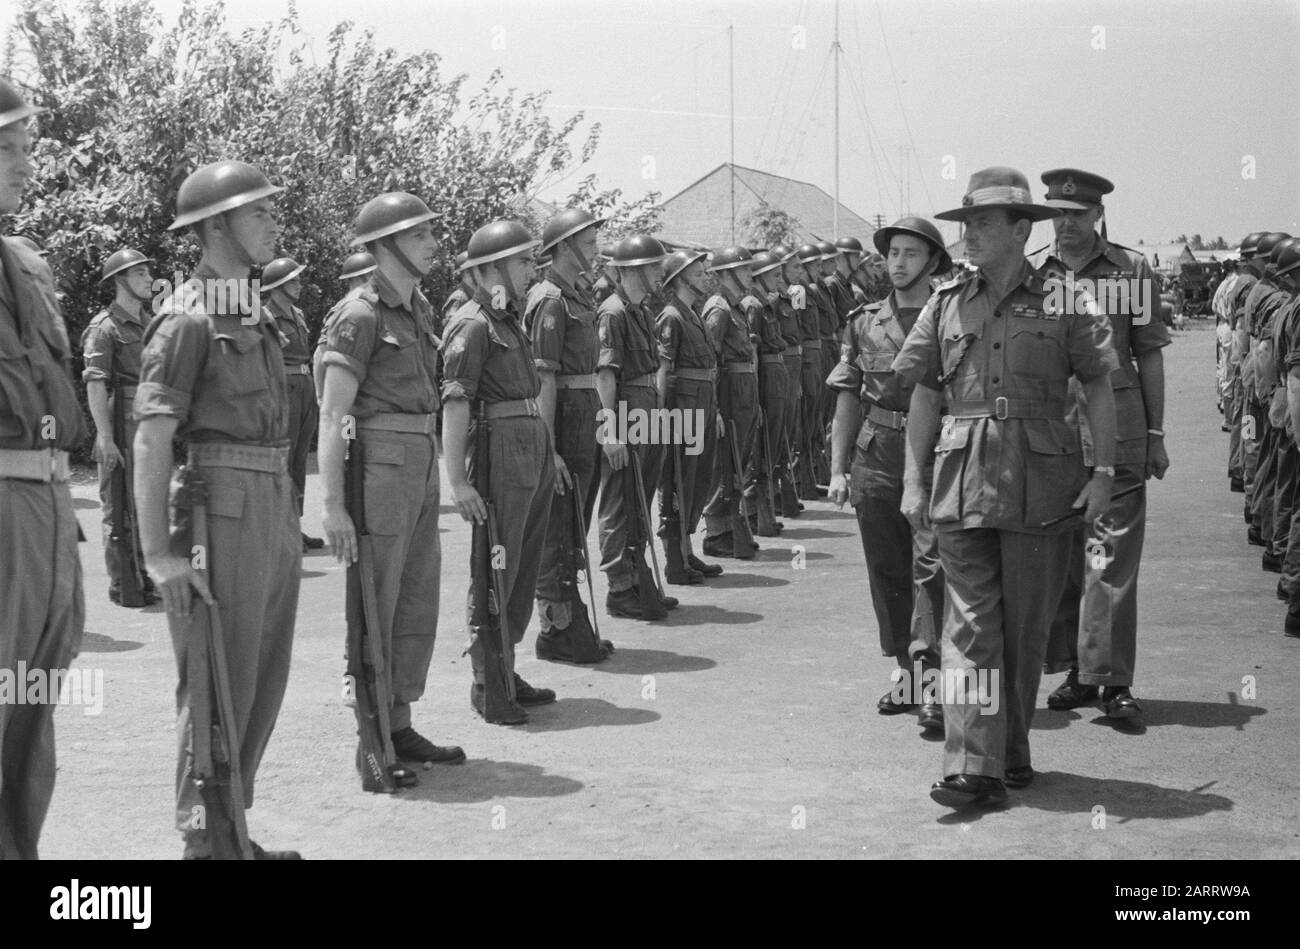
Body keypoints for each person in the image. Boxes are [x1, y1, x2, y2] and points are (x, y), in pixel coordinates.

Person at [893, 167, 1118, 808]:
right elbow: (925, 393)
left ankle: (1010, 748)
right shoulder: (945, 300)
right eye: (964, 225)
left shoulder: (1066, 298)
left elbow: (1099, 384)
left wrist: (1103, 473)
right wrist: (913, 481)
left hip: (1042, 482)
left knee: (1022, 630)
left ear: (1022, 229)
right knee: (968, 628)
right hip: (959, 478)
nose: (968, 236)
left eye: (983, 224)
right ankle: (973, 764)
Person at [134, 159, 301, 858]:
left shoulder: (253, 311)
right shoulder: (186, 318)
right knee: (213, 681)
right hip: (216, 506)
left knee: (260, 677)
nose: (272, 222)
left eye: (270, 209)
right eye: (257, 211)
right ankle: (204, 843)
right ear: (213, 225)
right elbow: (151, 437)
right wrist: (159, 554)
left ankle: (230, 827)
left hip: (269, 497)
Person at [319, 192, 464, 777]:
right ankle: (372, 742)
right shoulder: (359, 314)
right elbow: (333, 414)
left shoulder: (416, 308)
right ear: (384, 246)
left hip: (419, 456)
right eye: (419, 234)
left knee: (415, 596)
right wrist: (331, 505)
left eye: (430, 232)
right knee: (376, 601)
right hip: (380, 461)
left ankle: (399, 724)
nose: (432, 242)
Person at [1033, 169, 1171, 722]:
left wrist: (1157, 433)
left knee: (1111, 556)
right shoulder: (1032, 271)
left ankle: (1112, 681)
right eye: (1058, 214)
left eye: (1077, 215)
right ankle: (1076, 671)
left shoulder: (1131, 270)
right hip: (1051, 430)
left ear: (1098, 217)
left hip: (1121, 425)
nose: (1066, 224)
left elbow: (1151, 354)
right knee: (1065, 552)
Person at [0, 77, 87, 860]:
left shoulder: (29, 260)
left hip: (49, 498)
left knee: (32, 708)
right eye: (6, 147)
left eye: (26, 148)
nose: (25, 164)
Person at [828, 217, 949, 732]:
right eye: (892, 253)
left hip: (935, 453)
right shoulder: (863, 321)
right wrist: (837, 469)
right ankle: (908, 673)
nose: (898, 263)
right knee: (887, 570)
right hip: (875, 454)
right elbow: (847, 398)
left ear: (932, 263)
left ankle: (933, 680)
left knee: (933, 567)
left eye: (911, 254)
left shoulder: (950, 314)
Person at [441, 219, 559, 723]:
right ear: (490, 268)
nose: (531, 269)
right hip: (499, 453)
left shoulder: (508, 318)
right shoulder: (472, 324)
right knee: (496, 567)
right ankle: (488, 682)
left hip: (529, 446)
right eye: (522, 261)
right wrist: (459, 481)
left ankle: (506, 667)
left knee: (524, 563)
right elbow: (455, 402)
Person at [525, 207, 614, 661]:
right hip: (562, 421)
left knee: (573, 525)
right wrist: (549, 450)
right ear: (562, 247)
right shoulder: (550, 300)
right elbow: (543, 378)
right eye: (587, 241)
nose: (595, 247)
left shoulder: (578, 297)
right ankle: (555, 629)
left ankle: (568, 615)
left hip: (585, 418)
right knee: (557, 528)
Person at [594, 234, 679, 614]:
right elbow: (606, 376)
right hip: (627, 414)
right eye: (655, 267)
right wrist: (609, 431)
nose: (661, 274)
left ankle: (636, 572)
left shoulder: (641, 311)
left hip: (647, 413)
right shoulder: (612, 312)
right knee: (619, 501)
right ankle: (619, 587)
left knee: (641, 500)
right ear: (636, 270)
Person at [83, 247, 160, 605]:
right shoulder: (104, 327)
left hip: (148, 417)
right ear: (119, 280)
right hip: (121, 416)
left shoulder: (149, 322)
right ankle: (122, 581)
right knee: (118, 503)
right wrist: (106, 437)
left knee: (146, 500)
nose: (148, 279)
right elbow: (96, 383)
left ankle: (143, 572)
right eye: (139, 274)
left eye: (147, 273)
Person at [657, 249, 724, 583]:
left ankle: (686, 551)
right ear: (680, 278)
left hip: (703, 404)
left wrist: (717, 412)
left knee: (696, 482)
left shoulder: (693, 314)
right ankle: (674, 560)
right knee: (677, 483)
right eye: (697, 273)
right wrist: (661, 418)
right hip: (681, 411)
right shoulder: (671, 316)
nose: (704, 276)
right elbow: (663, 370)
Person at [701, 246, 762, 559]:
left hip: (743, 393)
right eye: (744, 268)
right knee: (724, 463)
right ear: (725, 273)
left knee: (738, 463)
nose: (751, 273)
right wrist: (715, 408)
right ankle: (716, 531)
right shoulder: (720, 308)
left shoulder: (736, 306)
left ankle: (729, 527)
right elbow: (709, 358)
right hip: (728, 395)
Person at [260, 256, 324, 552]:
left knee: (299, 461)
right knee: (283, 461)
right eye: (293, 280)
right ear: (278, 285)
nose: (299, 285)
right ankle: (278, 529)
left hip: (304, 386)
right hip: (283, 389)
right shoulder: (264, 315)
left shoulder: (297, 313)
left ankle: (293, 526)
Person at [753, 246, 804, 518]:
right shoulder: (758, 305)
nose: (779, 279)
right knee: (766, 444)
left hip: (782, 372)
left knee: (779, 439)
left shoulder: (781, 299)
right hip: (767, 379)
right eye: (774, 274)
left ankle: (774, 499)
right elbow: (755, 353)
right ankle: (763, 506)